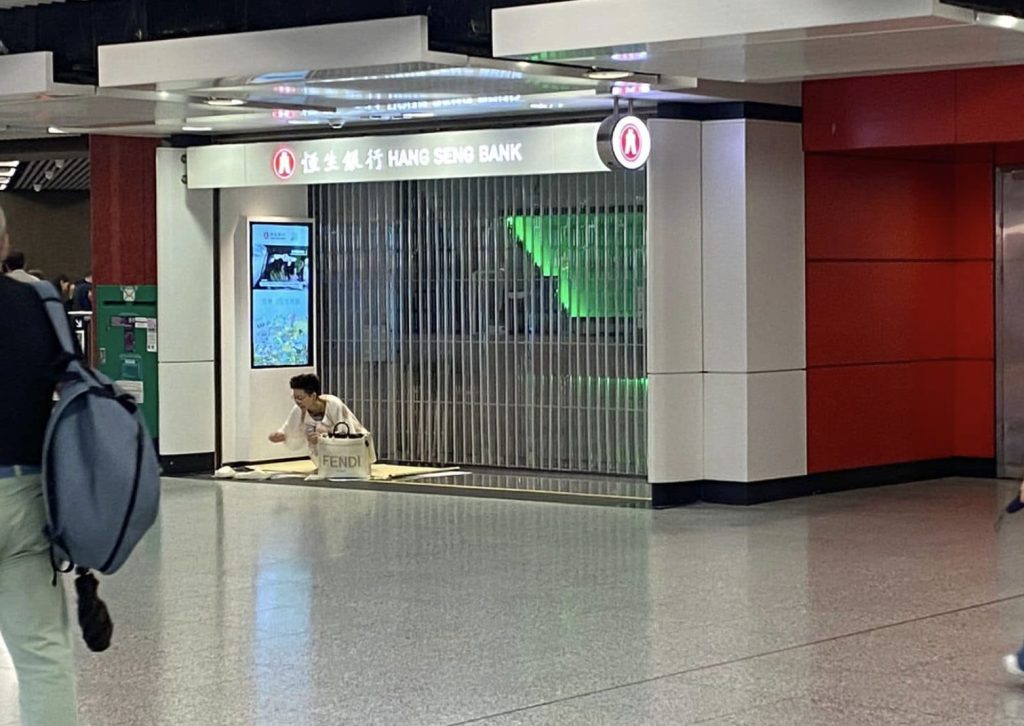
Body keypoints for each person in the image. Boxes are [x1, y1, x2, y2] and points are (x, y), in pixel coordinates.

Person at [0, 206, 78, 725]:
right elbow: (75, 392)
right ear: (5, 242)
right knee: (42, 654)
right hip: (22, 497)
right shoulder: (37, 304)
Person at [268, 373, 366, 459]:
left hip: (349, 454)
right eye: (294, 398)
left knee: (320, 430)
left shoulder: (333, 404)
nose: (297, 401)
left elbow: (346, 431)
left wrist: (323, 437)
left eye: (300, 398)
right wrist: (281, 435)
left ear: (313, 396)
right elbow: (290, 429)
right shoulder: (298, 409)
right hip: (323, 457)